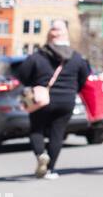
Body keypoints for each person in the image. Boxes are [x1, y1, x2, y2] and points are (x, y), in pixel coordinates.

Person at [13, 20, 91, 178]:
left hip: (41, 100)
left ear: (49, 35)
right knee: (58, 133)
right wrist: (73, 89)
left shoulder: (37, 56)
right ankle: (50, 170)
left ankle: (41, 154)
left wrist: (34, 83)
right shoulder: (76, 58)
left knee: (36, 130)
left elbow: (22, 75)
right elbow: (85, 78)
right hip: (67, 100)